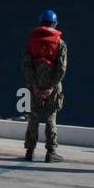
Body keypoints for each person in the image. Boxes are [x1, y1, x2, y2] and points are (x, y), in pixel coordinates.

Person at [22, 10, 67, 162]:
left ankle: (29, 151)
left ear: (41, 23)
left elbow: (26, 66)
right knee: (50, 117)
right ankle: (51, 152)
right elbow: (61, 68)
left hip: (35, 85)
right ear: (54, 24)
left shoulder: (32, 42)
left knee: (33, 118)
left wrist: (34, 85)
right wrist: (52, 87)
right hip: (52, 87)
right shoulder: (60, 43)